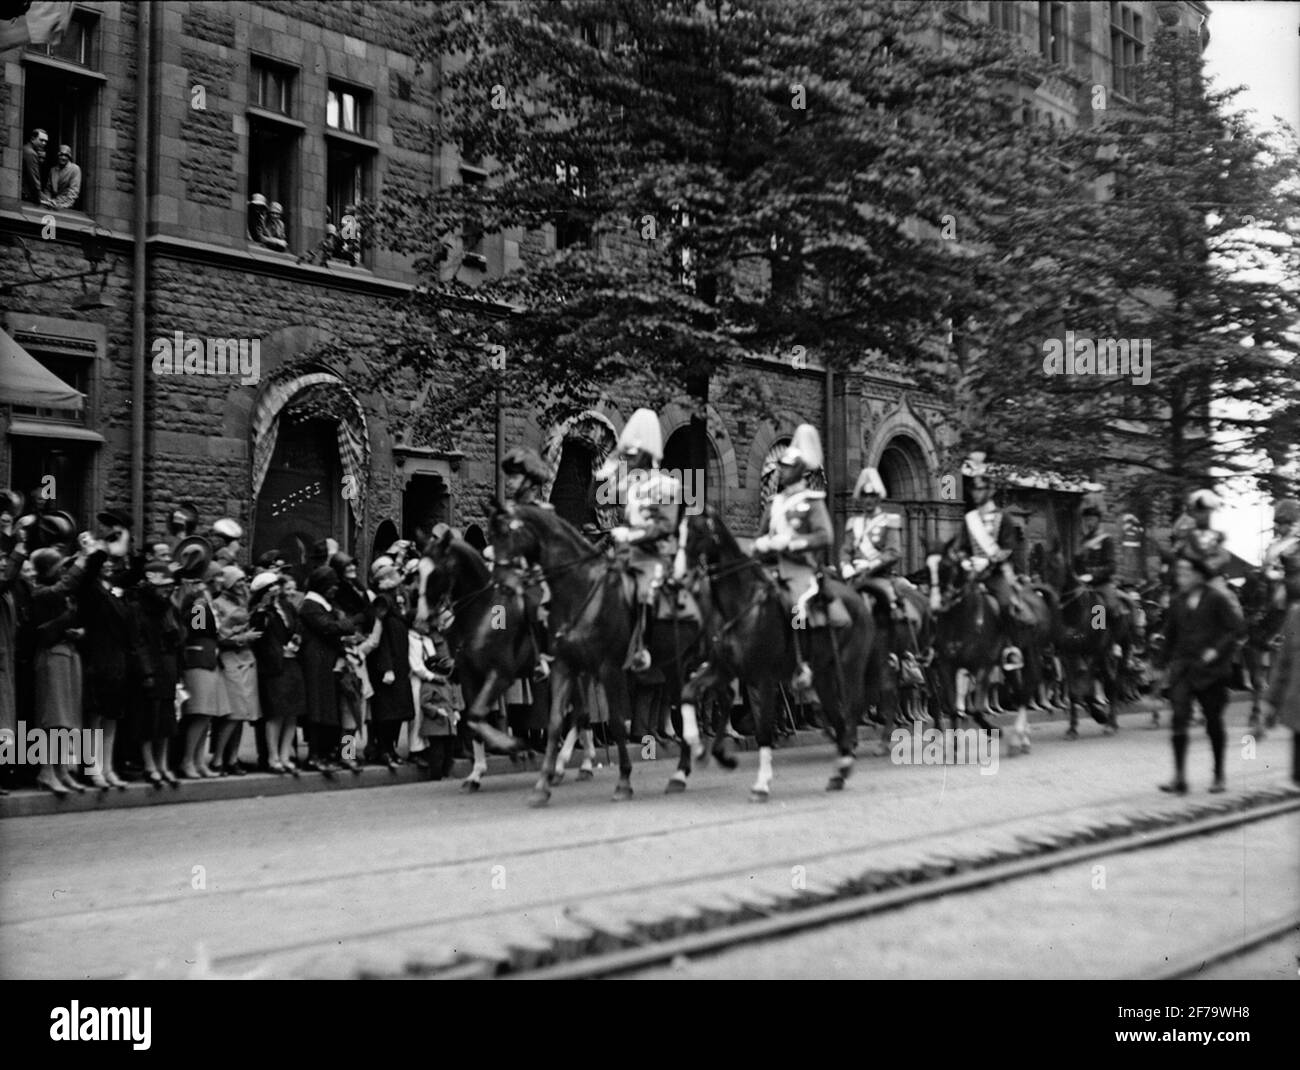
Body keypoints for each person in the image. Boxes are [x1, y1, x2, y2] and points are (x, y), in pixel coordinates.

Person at [754, 424, 847, 687]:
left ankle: (801, 661)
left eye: (785, 467)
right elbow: (759, 534)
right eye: (780, 466)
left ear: (798, 470)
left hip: (800, 569)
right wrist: (760, 545)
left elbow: (825, 536)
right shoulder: (774, 503)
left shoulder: (812, 501)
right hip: (771, 567)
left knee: (797, 606)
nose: (780, 471)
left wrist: (793, 542)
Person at [598, 408, 681, 672]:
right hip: (623, 555)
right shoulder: (626, 483)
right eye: (628, 454)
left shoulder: (668, 485)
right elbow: (595, 500)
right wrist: (601, 474)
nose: (630, 459)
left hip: (653, 555)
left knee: (646, 591)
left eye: (634, 455)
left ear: (648, 453)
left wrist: (631, 535)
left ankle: (643, 649)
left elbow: (665, 526)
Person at [1158, 555, 1244, 794]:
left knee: (1213, 722)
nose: (1180, 578)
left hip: (1211, 672)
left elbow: (1236, 628)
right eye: (1179, 573)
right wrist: (1159, 664)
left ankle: (1218, 775)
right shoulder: (1176, 601)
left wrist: (1215, 650)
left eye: (1185, 573)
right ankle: (1179, 777)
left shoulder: (1216, 598)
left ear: (1198, 576)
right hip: (1185, 670)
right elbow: (1170, 636)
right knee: (1178, 719)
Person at [29, 539, 106, 795]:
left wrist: (80, 630)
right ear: (47, 570)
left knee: (69, 718)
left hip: (69, 653)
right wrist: (83, 558)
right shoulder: (41, 592)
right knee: (53, 717)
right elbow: (65, 587)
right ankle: (46, 770)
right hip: (52, 655)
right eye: (58, 567)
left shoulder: (61, 593)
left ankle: (62, 770)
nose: (63, 570)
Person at [953, 452, 1029, 626]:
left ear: (989, 491)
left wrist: (986, 562)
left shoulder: (1004, 518)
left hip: (997, 574)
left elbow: (1007, 549)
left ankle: (1011, 647)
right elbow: (963, 547)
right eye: (973, 489)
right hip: (971, 575)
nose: (975, 493)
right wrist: (965, 560)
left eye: (980, 489)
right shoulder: (969, 518)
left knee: (1006, 605)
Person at [298, 565, 360, 773]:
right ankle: (333, 754)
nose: (336, 589)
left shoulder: (329, 606)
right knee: (328, 712)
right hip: (326, 665)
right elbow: (329, 628)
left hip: (345, 666)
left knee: (351, 715)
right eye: (332, 585)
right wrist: (350, 625)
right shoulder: (311, 606)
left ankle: (345, 755)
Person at [501, 447, 554, 680]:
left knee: (533, 604)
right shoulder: (507, 511)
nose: (509, 482)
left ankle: (541, 657)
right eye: (509, 476)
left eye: (515, 477)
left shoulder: (544, 512)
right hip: (508, 576)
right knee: (495, 605)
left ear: (531, 482)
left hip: (537, 577)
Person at [132, 561, 182, 787]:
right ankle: (150, 764)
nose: (168, 590)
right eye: (163, 586)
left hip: (170, 665)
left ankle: (162, 764)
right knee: (149, 719)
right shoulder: (139, 608)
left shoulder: (176, 606)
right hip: (152, 667)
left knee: (166, 721)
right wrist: (146, 671)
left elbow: (194, 630)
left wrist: (198, 601)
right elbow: (138, 642)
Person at [176, 541, 221, 779]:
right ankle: (187, 760)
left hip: (208, 656)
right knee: (199, 712)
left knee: (208, 714)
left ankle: (198, 759)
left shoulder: (204, 598)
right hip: (197, 655)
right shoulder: (196, 598)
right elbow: (197, 626)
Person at [211, 566, 261, 775]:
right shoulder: (213, 604)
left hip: (246, 659)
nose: (243, 584)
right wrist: (241, 638)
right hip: (230, 659)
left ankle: (231, 758)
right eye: (238, 581)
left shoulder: (244, 600)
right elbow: (211, 633)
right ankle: (218, 759)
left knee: (241, 714)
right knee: (234, 713)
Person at [840, 466, 904, 619]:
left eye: (872, 495)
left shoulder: (889, 521)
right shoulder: (853, 522)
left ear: (878, 497)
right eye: (865, 496)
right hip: (853, 578)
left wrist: (870, 564)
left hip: (879, 577)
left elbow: (893, 552)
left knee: (891, 607)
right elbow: (846, 549)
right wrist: (846, 565)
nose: (868, 500)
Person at [367, 560, 414, 768]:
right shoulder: (382, 603)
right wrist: (386, 667)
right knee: (381, 715)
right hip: (388, 666)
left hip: (401, 663)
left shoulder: (399, 599)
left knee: (398, 712)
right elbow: (380, 638)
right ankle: (351, 755)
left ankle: (389, 749)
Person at [42, 145, 82, 211]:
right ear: (57, 156)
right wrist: (48, 200)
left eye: (66, 155)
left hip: (65, 207)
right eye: (61, 155)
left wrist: (62, 205)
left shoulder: (75, 169)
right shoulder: (53, 170)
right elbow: (48, 189)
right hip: (51, 204)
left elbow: (73, 192)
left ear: (69, 157)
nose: (63, 158)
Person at [22, 128, 47, 204]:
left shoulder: (25, 148)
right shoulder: (31, 153)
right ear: (33, 139)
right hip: (26, 196)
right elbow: (34, 180)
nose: (44, 143)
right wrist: (40, 199)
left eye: (45, 141)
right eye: (41, 140)